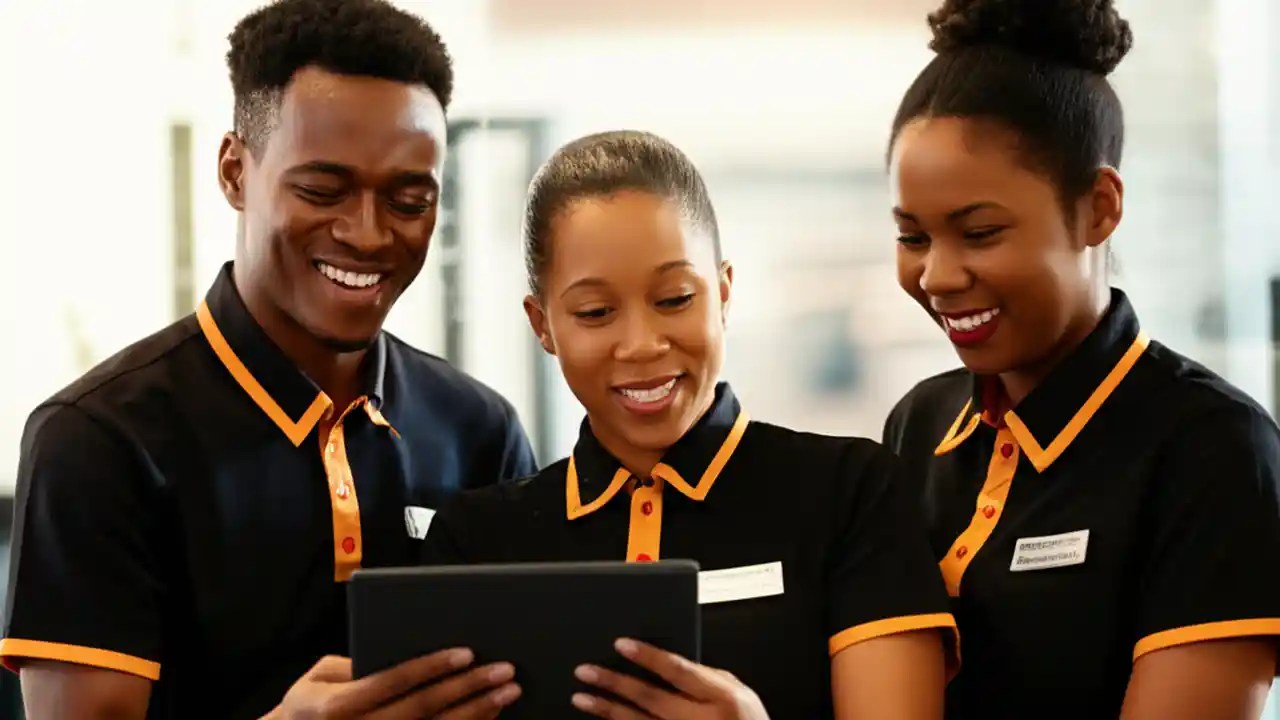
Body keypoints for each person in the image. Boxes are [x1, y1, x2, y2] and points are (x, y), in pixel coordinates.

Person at [0, 0, 537, 718]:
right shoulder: (102, 442)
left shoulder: (478, 431)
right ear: (233, 172)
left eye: (410, 200)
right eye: (323, 190)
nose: (369, 234)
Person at [422, 130, 956, 719]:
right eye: (596, 312)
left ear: (723, 293)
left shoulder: (850, 492)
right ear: (542, 324)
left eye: (675, 298)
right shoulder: (476, 540)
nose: (643, 344)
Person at [881, 0, 1280, 718]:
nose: (937, 275)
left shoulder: (1212, 447)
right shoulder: (921, 427)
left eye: (979, 232)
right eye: (913, 237)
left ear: (1099, 207)